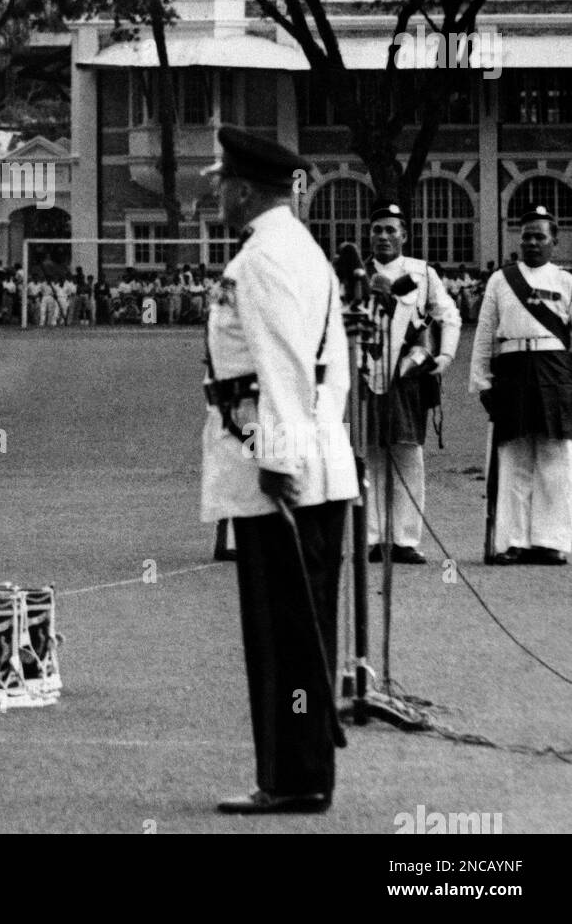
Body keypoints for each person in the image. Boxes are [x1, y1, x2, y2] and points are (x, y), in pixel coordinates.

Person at [200, 127, 358, 815]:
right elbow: (332, 368)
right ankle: (299, 772)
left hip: (283, 470)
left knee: (282, 632)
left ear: (242, 189)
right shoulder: (300, 250)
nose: (216, 196)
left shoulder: (263, 258)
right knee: (297, 628)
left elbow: (283, 366)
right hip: (313, 456)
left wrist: (277, 459)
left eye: (220, 185)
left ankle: (292, 779)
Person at [470, 204, 572, 565]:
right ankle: (512, 541)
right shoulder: (501, 279)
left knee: (554, 459)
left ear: (554, 242)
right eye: (526, 235)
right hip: (512, 369)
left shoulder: (565, 281)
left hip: (554, 371)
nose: (531, 242)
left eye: (539, 236)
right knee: (512, 458)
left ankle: (549, 540)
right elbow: (484, 333)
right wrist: (482, 380)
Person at [362, 201, 461, 564]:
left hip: (407, 374)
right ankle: (373, 537)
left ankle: (404, 538)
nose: (384, 236)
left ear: (405, 234)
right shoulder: (355, 273)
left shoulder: (422, 273)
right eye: (377, 230)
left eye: (391, 230)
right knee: (370, 453)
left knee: (407, 453)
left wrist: (445, 357)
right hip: (367, 371)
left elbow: (448, 315)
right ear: (368, 234)